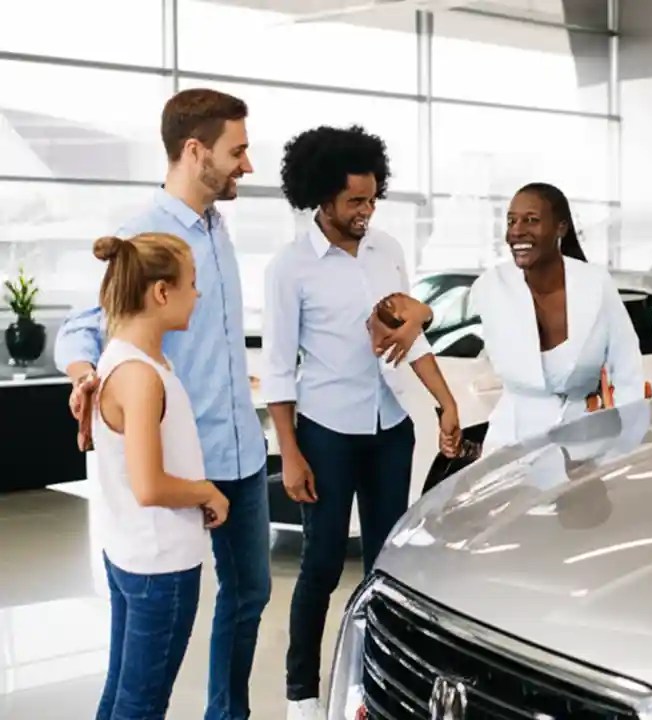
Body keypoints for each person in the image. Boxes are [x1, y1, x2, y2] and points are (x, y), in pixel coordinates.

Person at [55, 88, 270, 720]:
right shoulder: (141, 235)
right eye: (238, 151)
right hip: (185, 464)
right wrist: (86, 376)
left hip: (243, 453)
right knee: (159, 623)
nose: (247, 166)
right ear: (195, 151)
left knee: (248, 596)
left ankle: (227, 714)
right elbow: (80, 328)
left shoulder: (218, 229)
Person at [262, 124, 462, 720]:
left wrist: (444, 402)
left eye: (373, 198)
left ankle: (377, 684)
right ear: (321, 198)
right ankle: (301, 693)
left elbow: (411, 336)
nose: (366, 211)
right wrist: (291, 453)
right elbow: (277, 370)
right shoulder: (289, 267)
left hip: (390, 428)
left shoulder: (388, 251)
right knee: (322, 565)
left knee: (385, 564)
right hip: (327, 430)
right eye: (355, 201)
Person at [89, 232, 230, 720]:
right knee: (142, 705)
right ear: (161, 293)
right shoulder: (141, 377)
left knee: (120, 694)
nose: (198, 294)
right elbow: (149, 486)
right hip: (160, 565)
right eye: (192, 284)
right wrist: (206, 491)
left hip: (129, 554)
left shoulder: (120, 360)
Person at [470, 182, 646, 454]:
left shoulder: (596, 284)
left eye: (531, 220)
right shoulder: (491, 287)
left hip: (585, 447)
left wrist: (625, 444)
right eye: (511, 221)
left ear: (560, 227)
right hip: (509, 447)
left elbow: (627, 373)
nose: (516, 231)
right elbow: (434, 322)